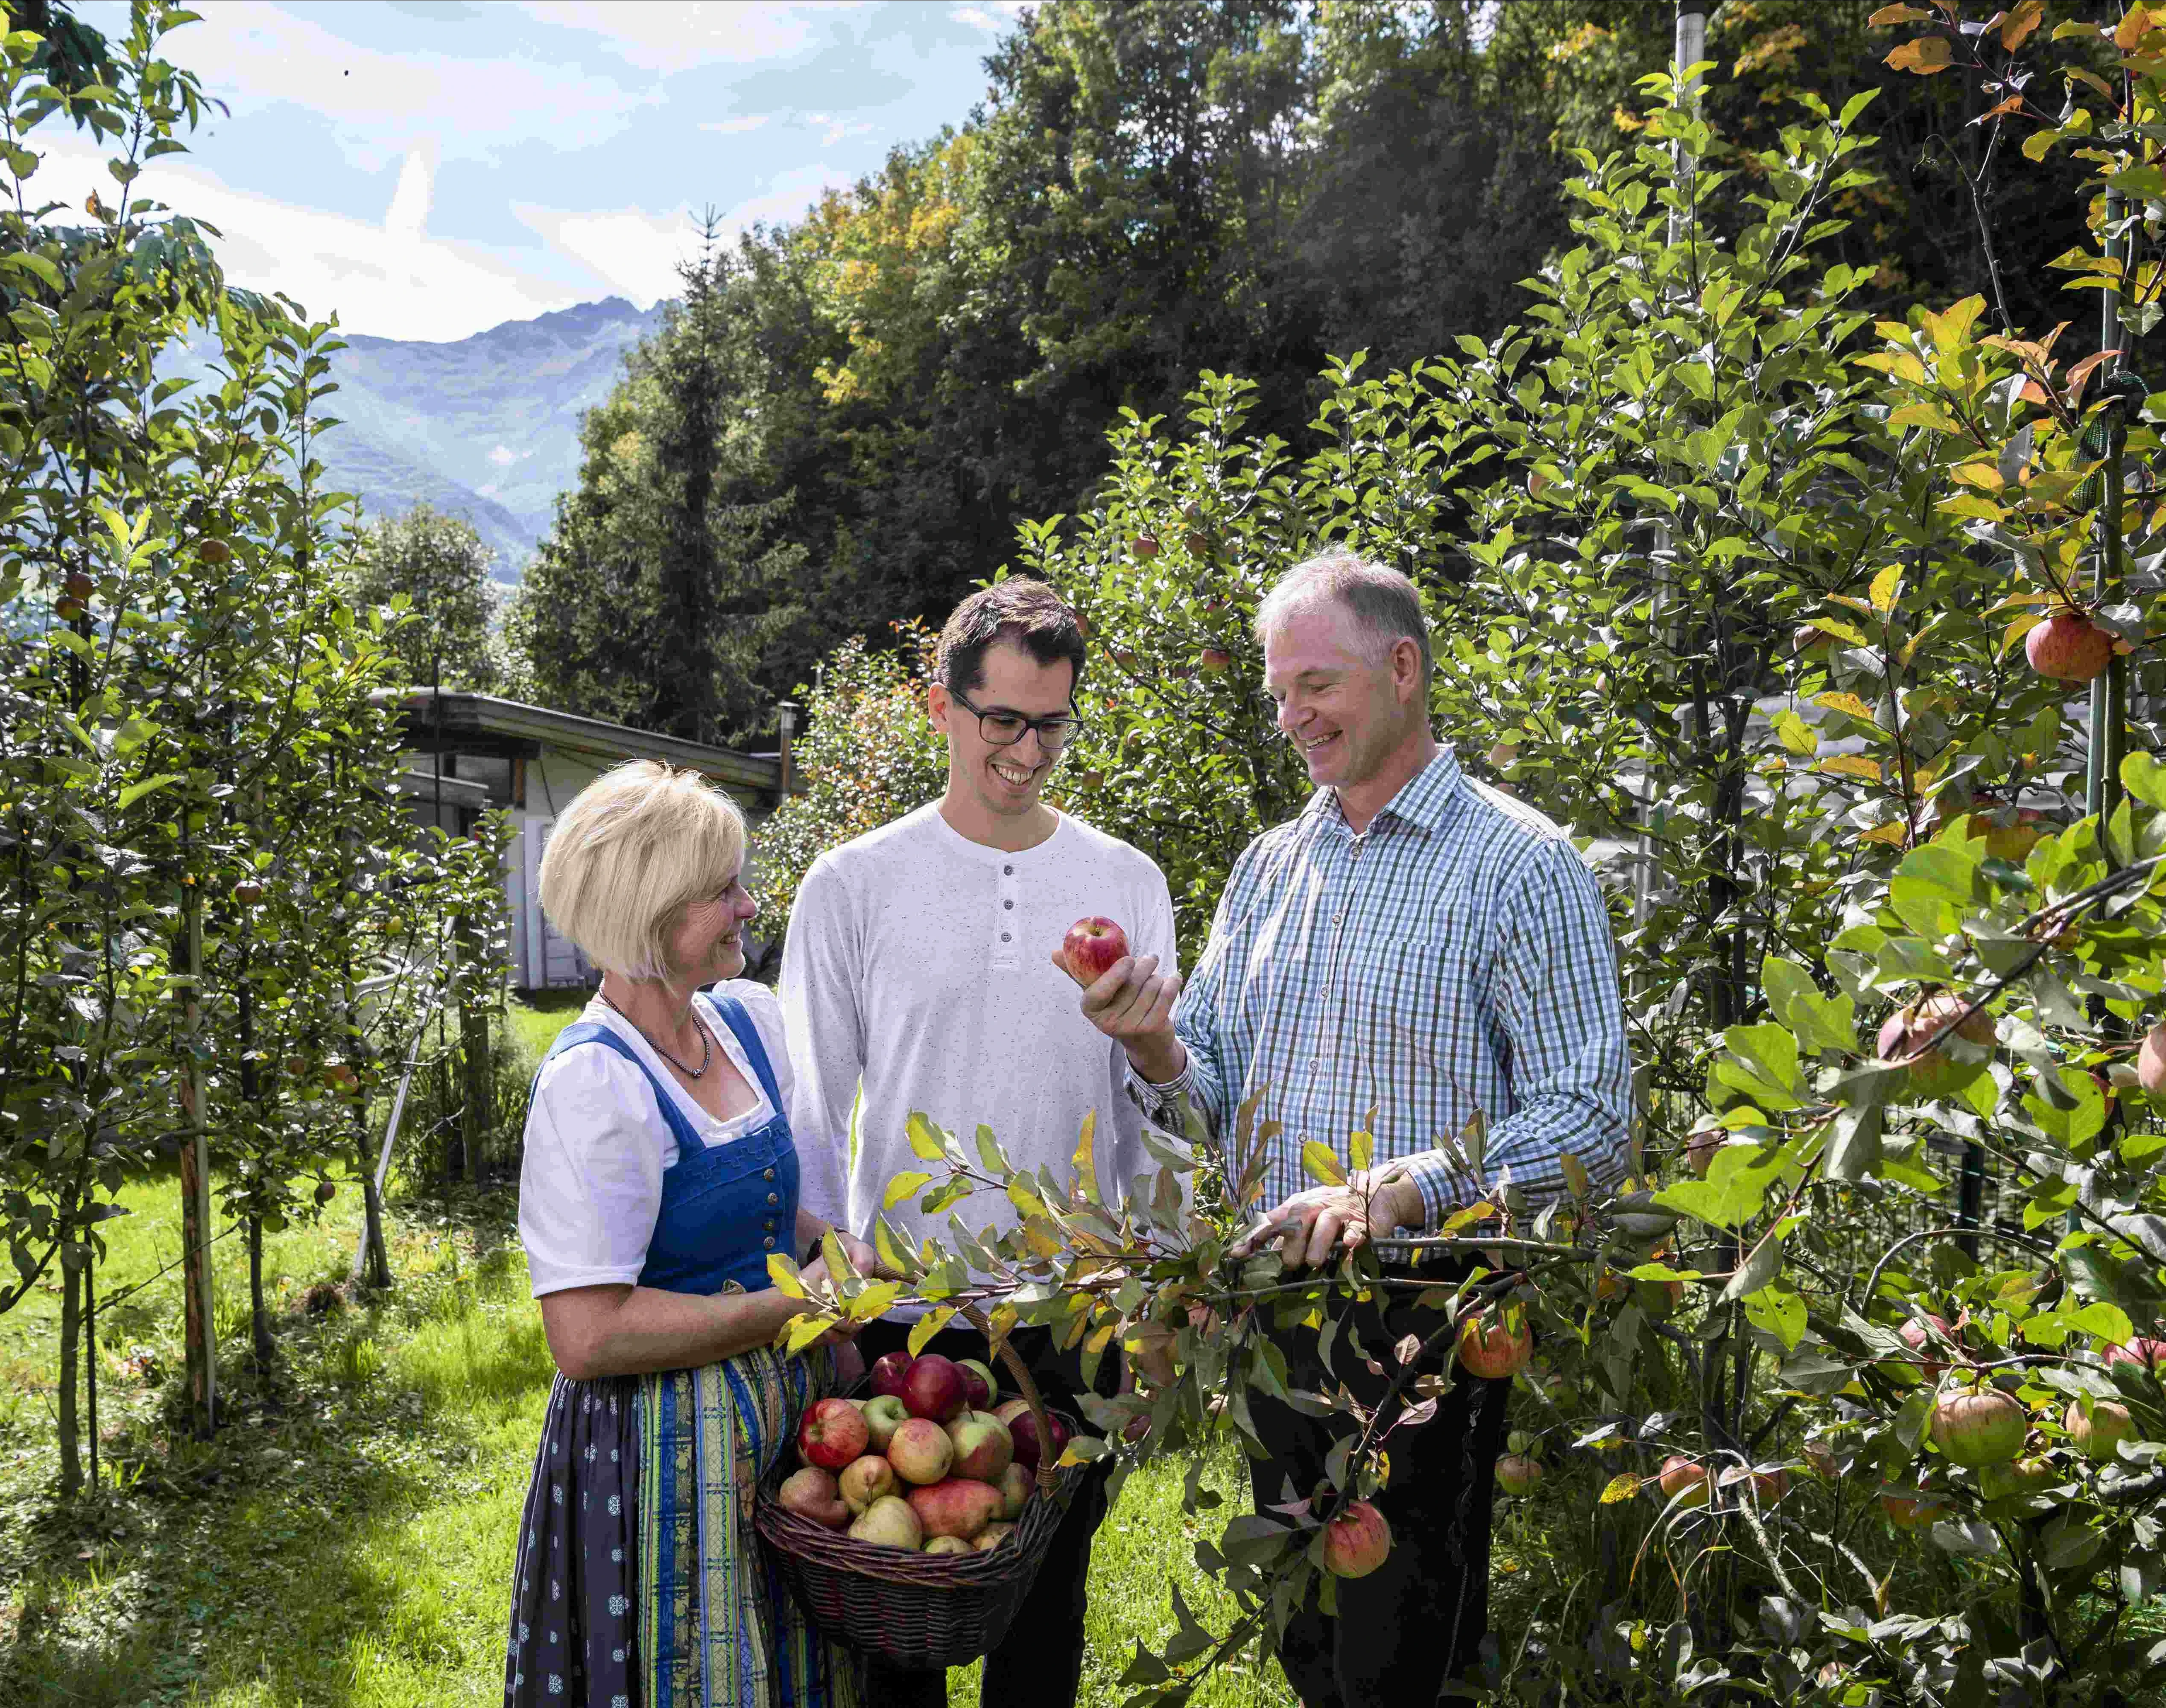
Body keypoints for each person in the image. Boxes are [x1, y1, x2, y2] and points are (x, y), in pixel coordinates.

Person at [1077, 550, 1632, 1706]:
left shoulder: (1522, 867)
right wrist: (1153, 1049)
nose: (1291, 717)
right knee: (1308, 1632)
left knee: (1404, 1642)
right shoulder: (1272, 866)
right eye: (1279, 692)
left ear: (1404, 669)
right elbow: (1213, 1082)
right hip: (1275, 1298)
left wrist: (1405, 1190)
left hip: (1427, 1305)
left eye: (1315, 686)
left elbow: (1592, 1119)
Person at [781, 578, 1178, 1708]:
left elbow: (1156, 1113)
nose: (1026, 749)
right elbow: (816, 1099)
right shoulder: (854, 886)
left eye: (1049, 722)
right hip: (910, 1319)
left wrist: (1152, 1298)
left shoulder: (1127, 882)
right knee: (899, 1636)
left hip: (1072, 1311)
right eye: (1000, 718)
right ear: (942, 708)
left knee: (1046, 1627)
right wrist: (827, 1279)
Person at [504, 759, 877, 1708]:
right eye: (721, 891)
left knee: (796, 1664)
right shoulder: (596, 1084)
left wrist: (831, 1254)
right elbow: (586, 1336)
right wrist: (786, 1304)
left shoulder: (742, 1023)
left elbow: (763, 1190)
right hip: (666, 1452)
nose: (749, 905)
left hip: (784, 1423)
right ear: (648, 913)